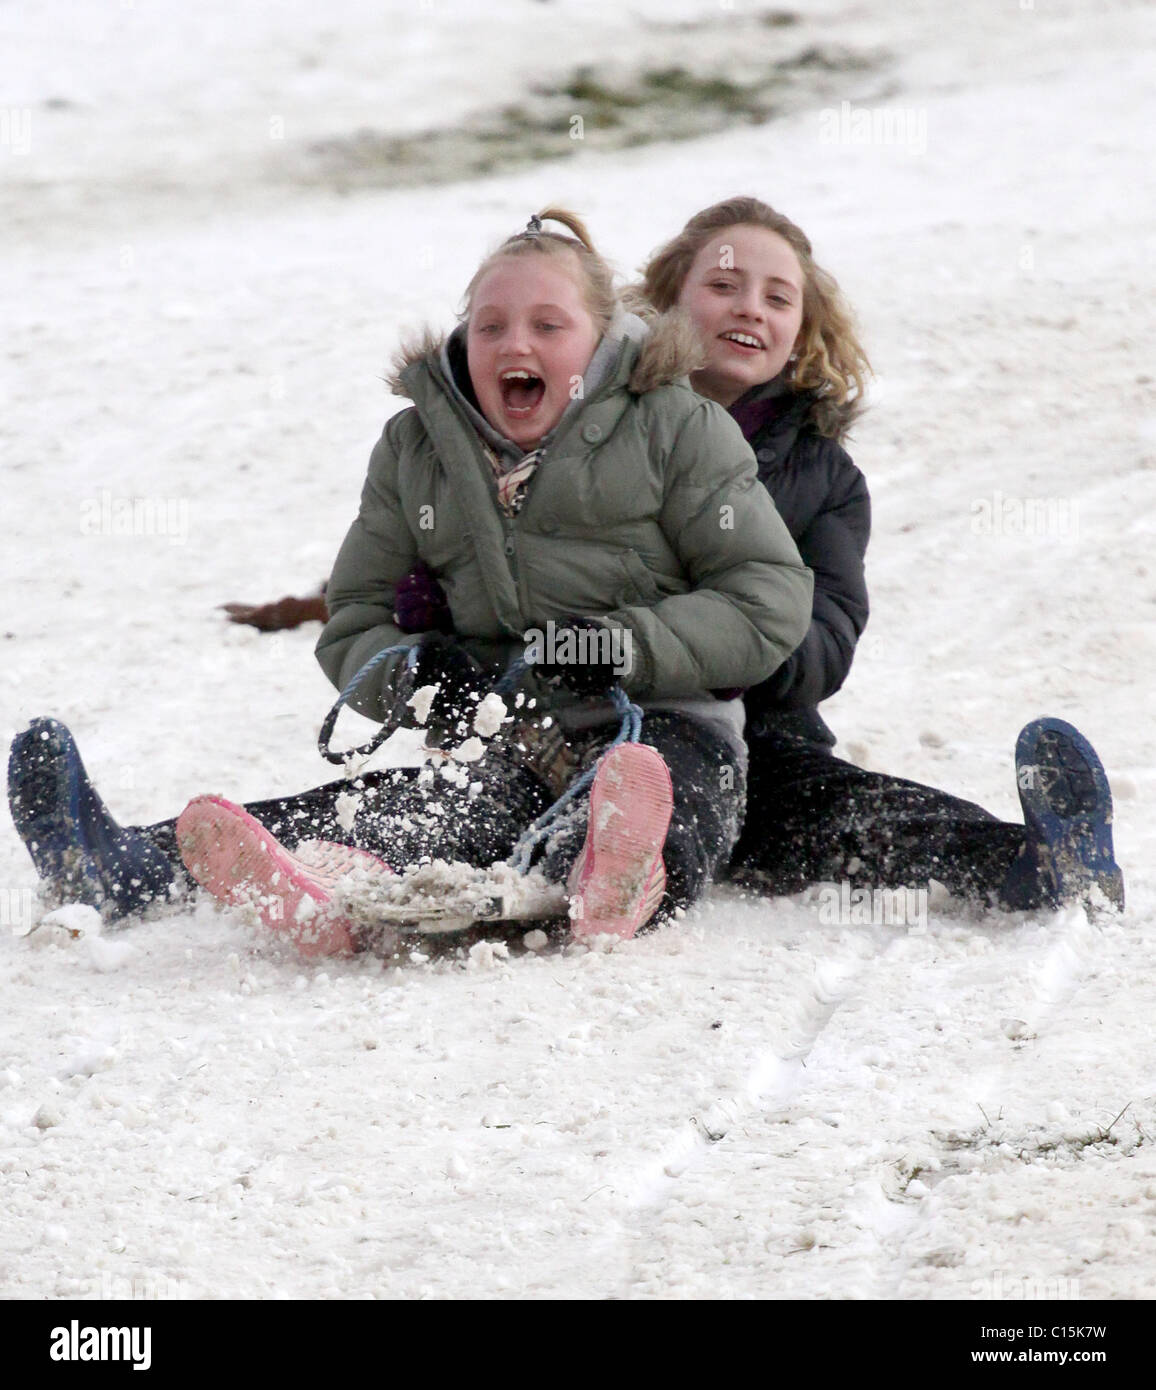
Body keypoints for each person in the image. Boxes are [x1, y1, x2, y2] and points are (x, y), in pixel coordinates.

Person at [8, 209, 813, 950]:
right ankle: (128, 870)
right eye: (491, 326)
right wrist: (417, 675)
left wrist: (622, 646)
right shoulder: (416, 448)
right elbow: (355, 609)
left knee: (655, 799)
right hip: (514, 738)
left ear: (599, 341)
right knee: (410, 812)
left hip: (665, 724)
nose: (515, 344)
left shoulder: (677, 426)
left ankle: (607, 881)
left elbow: (767, 595)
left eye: (548, 325)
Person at [635, 196, 1123, 914]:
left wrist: (726, 645)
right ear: (667, 301)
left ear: (803, 334)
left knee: (836, 811)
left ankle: (1035, 864)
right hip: (597, 706)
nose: (750, 309)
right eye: (723, 285)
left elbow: (828, 641)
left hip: (755, 737)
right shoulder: (602, 428)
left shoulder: (825, 480)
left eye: (778, 298)